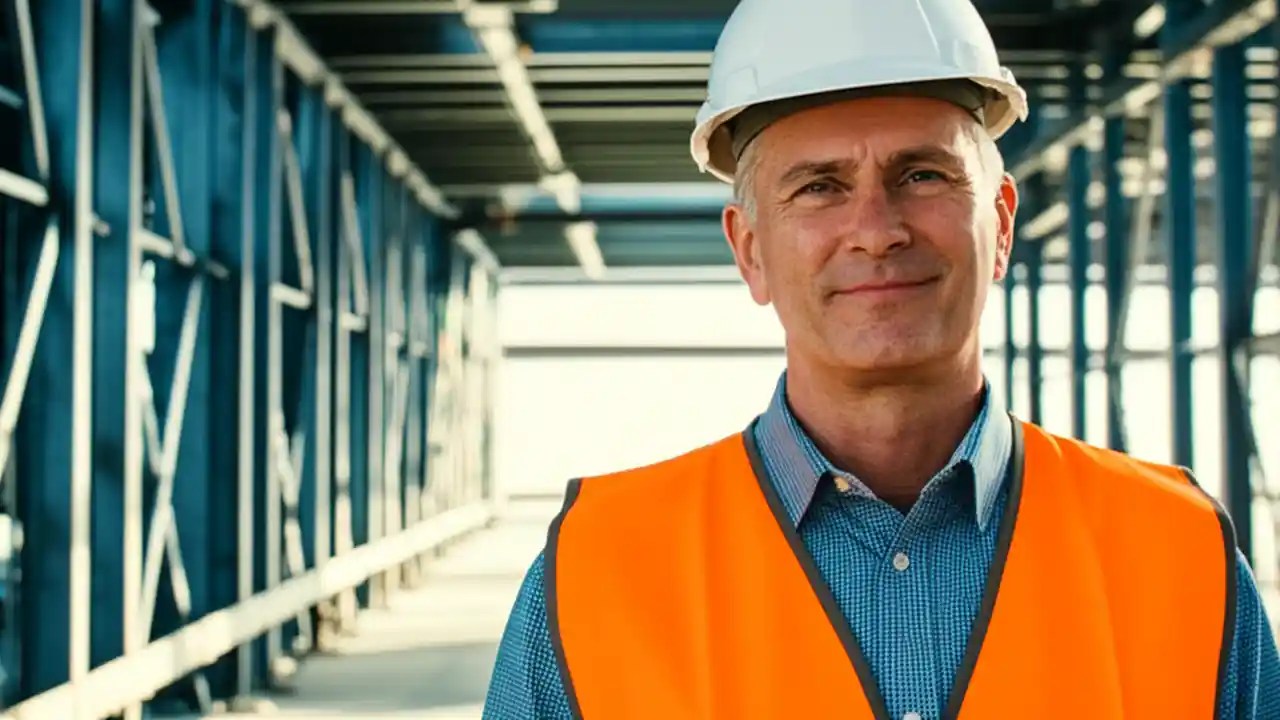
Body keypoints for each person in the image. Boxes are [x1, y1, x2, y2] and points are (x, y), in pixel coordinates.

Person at [483, 0, 1280, 717]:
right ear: (750, 250)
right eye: (820, 188)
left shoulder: (1183, 555)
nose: (877, 229)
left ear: (1001, 224)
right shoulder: (596, 576)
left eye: (922, 174)